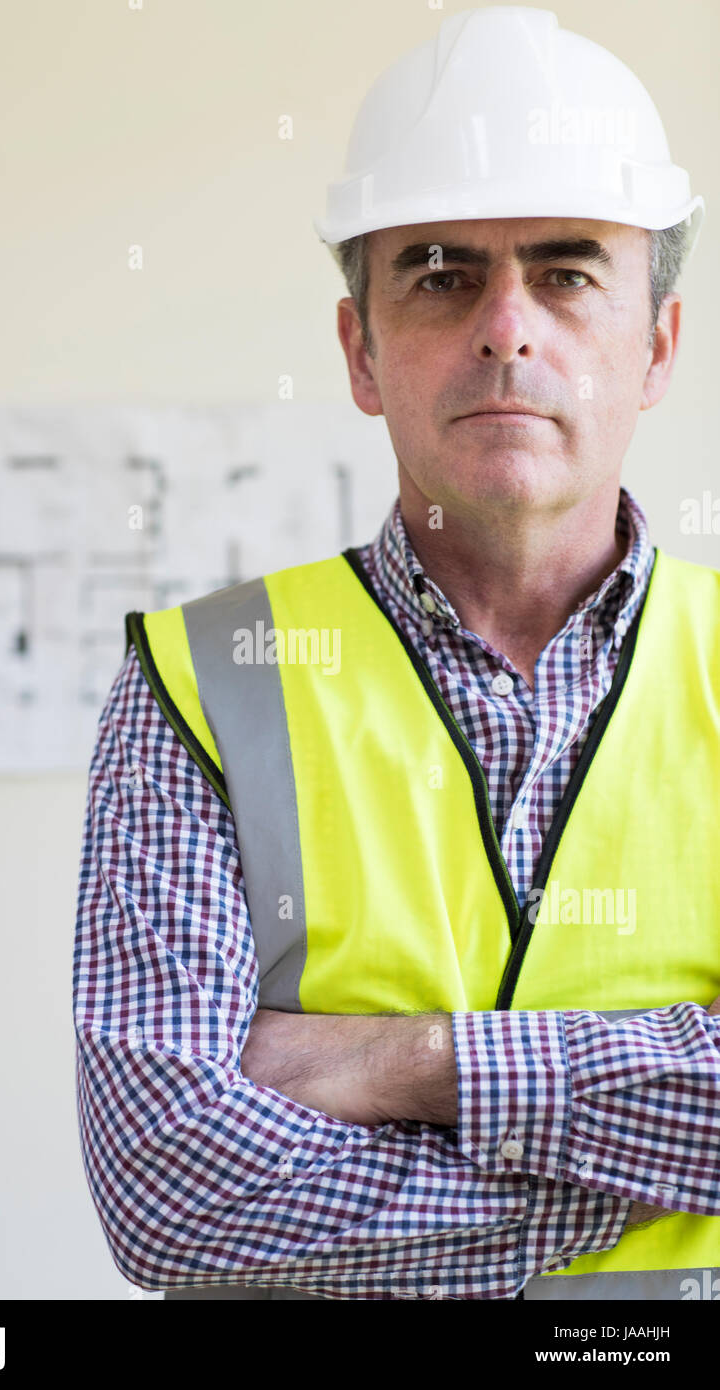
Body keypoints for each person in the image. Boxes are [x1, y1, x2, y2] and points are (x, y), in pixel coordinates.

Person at [73, 6, 720, 1300]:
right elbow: (169, 1188)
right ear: (359, 349)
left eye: (566, 269)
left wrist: (408, 1062)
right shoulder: (210, 677)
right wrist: (638, 1171)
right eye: (437, 272)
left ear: (653, 345)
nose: (504, 327)